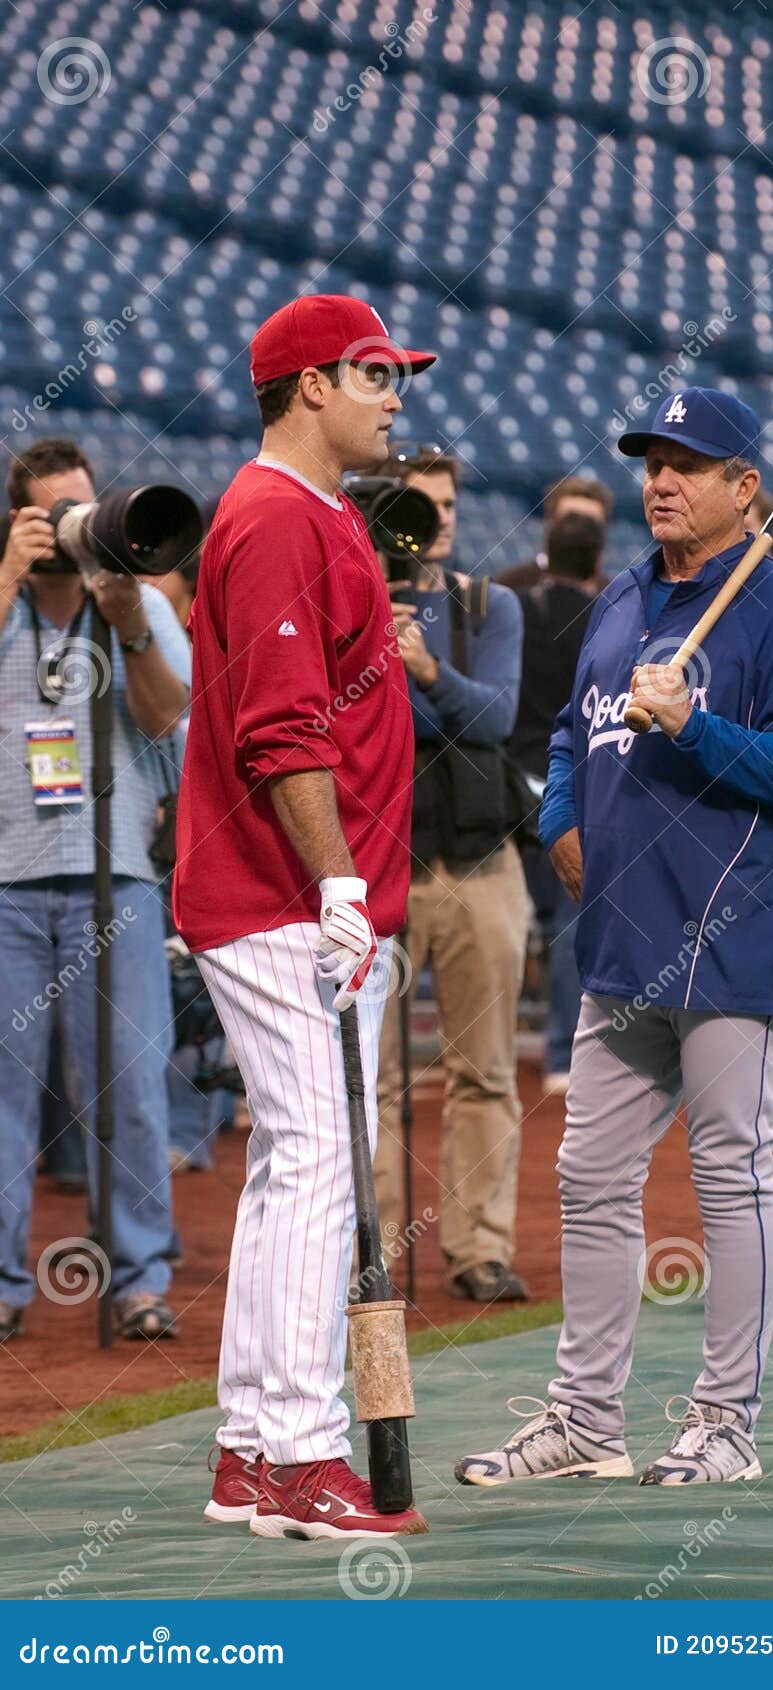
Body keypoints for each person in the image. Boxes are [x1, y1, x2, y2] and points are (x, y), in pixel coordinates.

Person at [456, 385, 773, 1489]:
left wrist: (695, 726)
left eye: (688, 462)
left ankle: (723, 1424)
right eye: (651, 459)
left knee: (728, 1174)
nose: (661, 479)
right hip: (623, 935)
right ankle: (585, 1419)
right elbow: (568, 727)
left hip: (731, 937)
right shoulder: (625, 598)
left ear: (745, 489)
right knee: (588, 1173)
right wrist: (556, 819)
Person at [173, 293, 431, 1538]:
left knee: (291, 1166)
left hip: (298, 896)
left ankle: (244, 1452)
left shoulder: (314, 512)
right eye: (375, 372)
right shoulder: (273, 515)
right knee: (319, 1164)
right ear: (309, 385)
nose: (396, 393)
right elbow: (280, 728)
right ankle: (297, 1452)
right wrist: (334, 881)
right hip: (286, 897)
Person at [0, 437, 189, 1342]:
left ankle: (140, 1278)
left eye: (86, 508)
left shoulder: (140, 601)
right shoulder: (5, 602)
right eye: (54, 515)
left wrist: (132, 623)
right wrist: (7, 575)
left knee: (132, 1087)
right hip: (5, 884)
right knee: (2, 1094)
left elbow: (166, 717)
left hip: (115, 880)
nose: (77, 529)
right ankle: (4, 1286)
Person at [374, 446, 530, 1305]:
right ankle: (374, 1256)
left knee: (486, 1069)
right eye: (411, 506)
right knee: (379, 1078)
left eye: (440, 507)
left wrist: (426, 671)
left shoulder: (488, 603)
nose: (426, 526)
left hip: (480, 861)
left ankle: (478, 1250)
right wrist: (437, 700)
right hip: (382, 865)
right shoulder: (348, 598)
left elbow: (498, 718)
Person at [510, 511, 604, 1089]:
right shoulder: (605, 617)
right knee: (569, 923)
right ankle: (562, 1056)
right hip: (573, 779)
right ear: (595, 562)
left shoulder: (518, 610)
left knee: (518, 917)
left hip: (519, 777)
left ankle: (486, 1045)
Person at [495, 474, 613, 590]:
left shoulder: (613, 595)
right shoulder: (511, 584)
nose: (580, 530)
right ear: (548, 523)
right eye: (571, 521)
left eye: (590, 525)